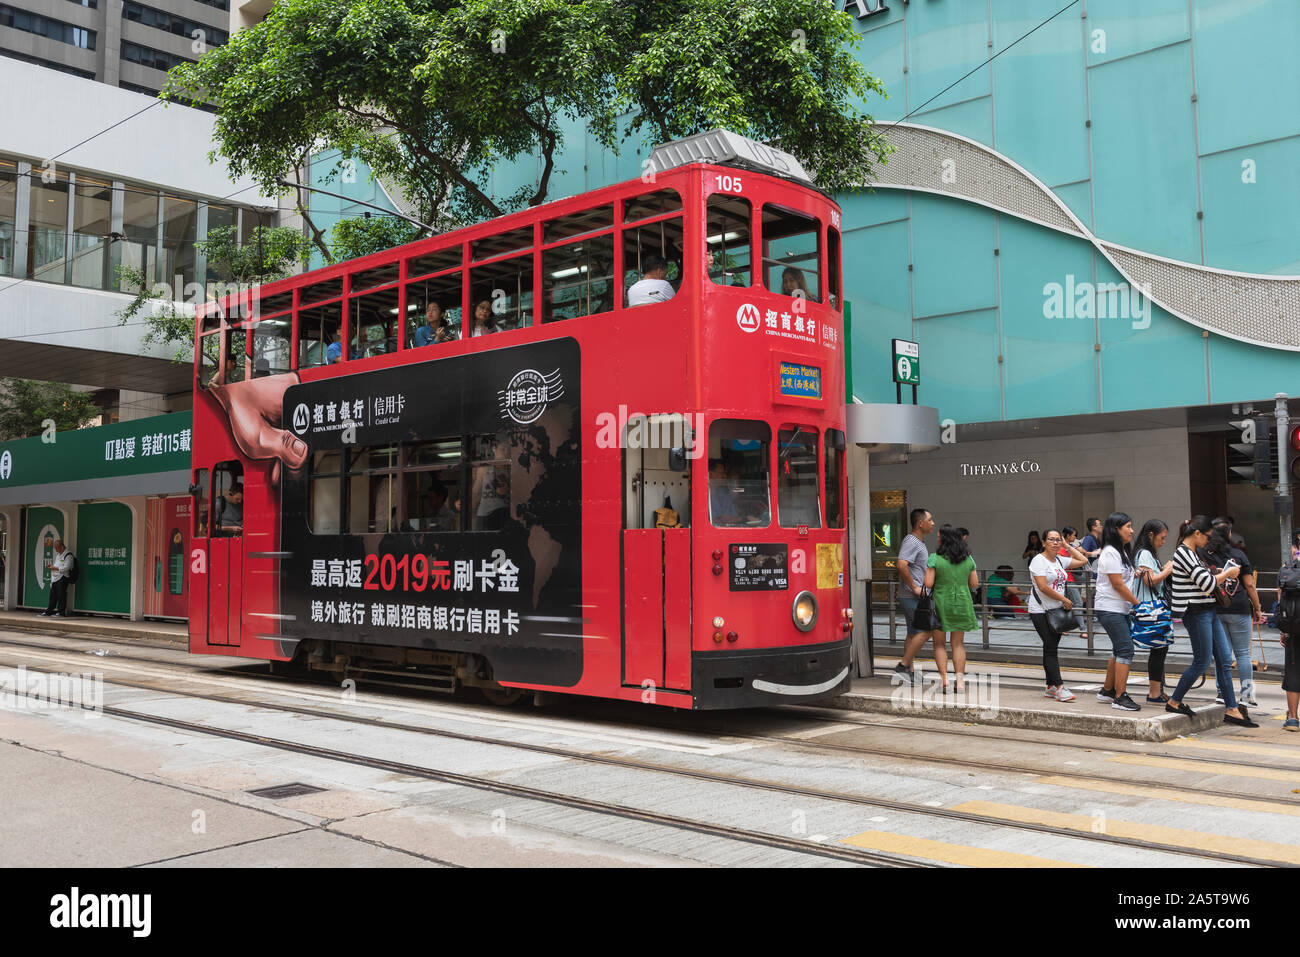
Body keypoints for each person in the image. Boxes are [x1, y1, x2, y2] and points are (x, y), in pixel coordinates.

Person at [1166, 516, 1255, 726]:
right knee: (1202, 661)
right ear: (1197, 533)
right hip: (1196, 613)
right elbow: (1206, 583)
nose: (1208, 541)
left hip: (1208, 610)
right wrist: (1228, 573)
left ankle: (1232, 709)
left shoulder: (1194, 553)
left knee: (1224, 660)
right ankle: (1174, 700)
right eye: (1207, 536)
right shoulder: (1184, 553)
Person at [1206, 519, 1262, 708]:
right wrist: (1257, 607)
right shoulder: (1238, 555)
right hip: (1239, 608)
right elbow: (1249, 584)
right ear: (1229, 535)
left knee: (1223, 655)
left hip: (1217, 607)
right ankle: (1246, 696)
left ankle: (1222, 693)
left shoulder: (1206, 554)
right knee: (1243, 654)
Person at [1028, 529, 1089, 701]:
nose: (1055, 543)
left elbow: (1083, 560)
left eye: (1057, 540)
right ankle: (1060, 687)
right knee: (1050, 647)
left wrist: (1068, 546)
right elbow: (1042, 586)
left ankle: (1050, 686)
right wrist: (1064, 599)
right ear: (1043, 542)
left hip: (1057, 611)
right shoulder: (1038, 560)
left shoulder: (1060, 560)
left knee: (1050, 647)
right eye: (1051, 540)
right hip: (1040, 609)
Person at [1093, 512, 1143, 711]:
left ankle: (1107, 691)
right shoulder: (1110, 552)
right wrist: (1138, 604)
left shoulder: (1120, 551)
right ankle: (1120, 697)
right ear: (1116, 529)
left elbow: (1122, 578)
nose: (1132, 530)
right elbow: (1117, 584)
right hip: (1110, 608)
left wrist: (1136, 573)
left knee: (1118, 649)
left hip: (1118, 608)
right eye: (1128, 526)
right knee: (1125, 649)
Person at [922, 524, 979, 692]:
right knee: (958, 644)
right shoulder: (968, 558)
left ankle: (945, 679)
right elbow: (974, 583)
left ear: (944, 540)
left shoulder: (934, 558)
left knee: (939, 644)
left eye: (939, 537)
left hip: (941, 603)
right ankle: (960, 682)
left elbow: (928, 583)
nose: (937, 540)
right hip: (961, 602)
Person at [1132, 519, 1175, 703]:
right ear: (1151, 535)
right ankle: (1154, 693)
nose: (1163, 541)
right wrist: (1167, 569)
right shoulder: (1145, 555)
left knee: (1159, 649)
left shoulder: (1147, 553)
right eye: (1162, 538)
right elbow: (1150, 581)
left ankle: (1156, 692)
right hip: (1152, 607)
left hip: (1154, 607)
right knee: (1159, 649)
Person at [893, 508, 935, 682]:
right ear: (920, 523)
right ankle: (903, 665)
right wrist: (915, 587)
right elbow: (902, 565)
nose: (933, 523)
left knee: (912, 633)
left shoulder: (918, 542)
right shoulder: (912, 541)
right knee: (928, 629)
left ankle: (908, 671)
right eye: (930, 520)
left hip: (912, 596)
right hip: (912, 596)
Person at [41, 539, 75, 618]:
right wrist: (52, 567)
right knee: (53, 595)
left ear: (62, 546)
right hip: (55, 578)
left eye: (57, 548)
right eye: (55, 548)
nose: (56, 550)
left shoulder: (68, 555)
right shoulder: (58, 555)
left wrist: (55, 568)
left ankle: (61, 612)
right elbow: (58, 564)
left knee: (61, 595)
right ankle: (49, 611)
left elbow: (67, 567)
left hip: (63, 577)